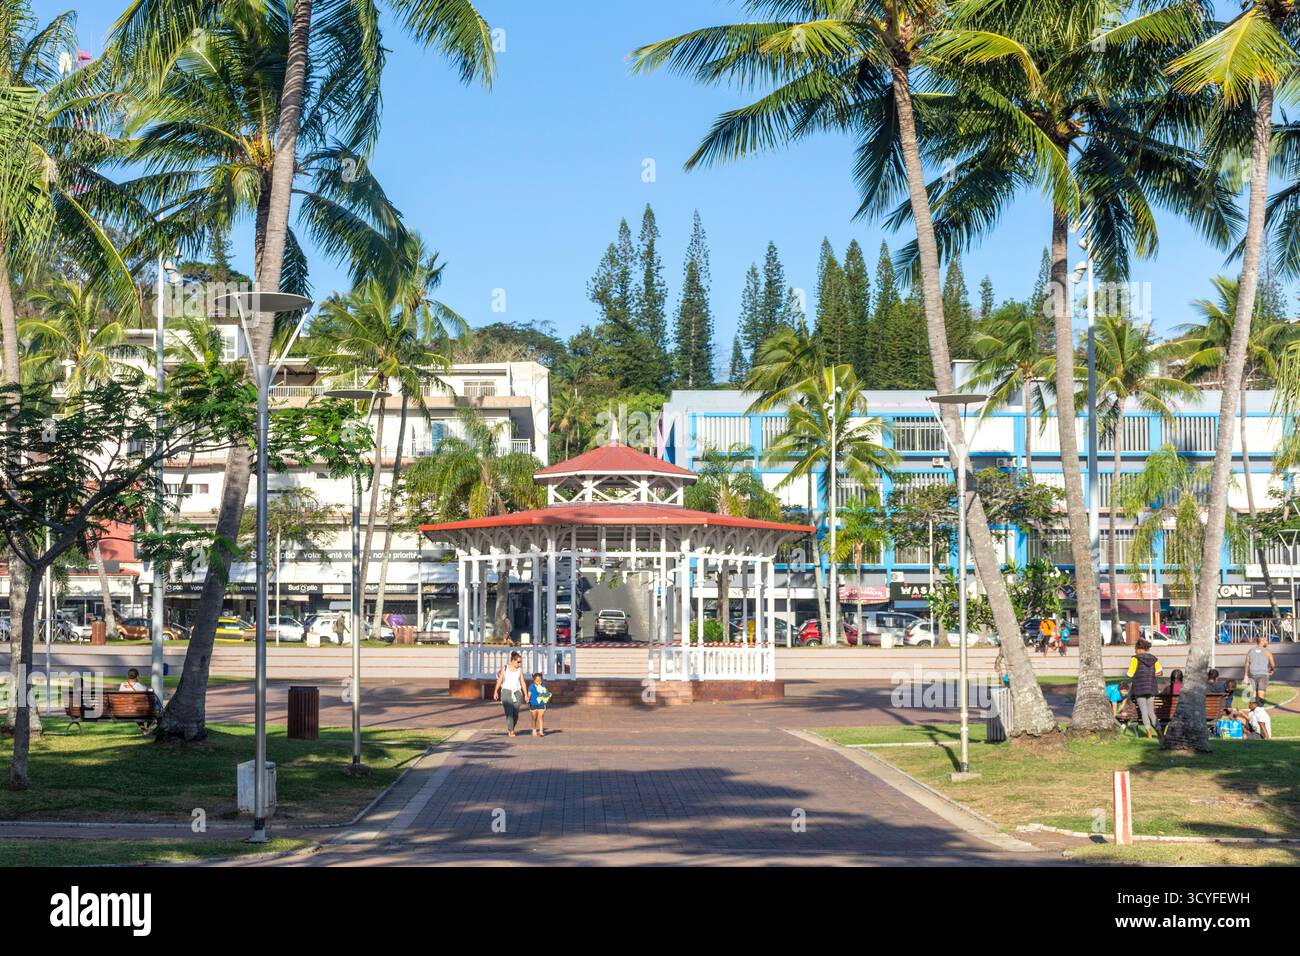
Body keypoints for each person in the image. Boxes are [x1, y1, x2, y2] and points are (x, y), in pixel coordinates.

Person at [1126, 638, 1163, 739]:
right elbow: (1160, 671)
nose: (1135, 651)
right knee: (1151, 711)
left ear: (1139, 649)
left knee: (1144, 712)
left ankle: (1149, 734)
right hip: (1151, 688)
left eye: (1135, 649)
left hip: (1139, 688)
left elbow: (1129, 674)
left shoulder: (1135, 659)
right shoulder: (1154, 659)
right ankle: (1159, 732)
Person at [493, 651, 528, 737]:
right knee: (509, 712)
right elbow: (500, 680)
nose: (519, 664)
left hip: (517, 693)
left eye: (520, 662)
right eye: (518, 662)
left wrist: (526, 694)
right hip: (506, 692)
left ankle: (511, 728)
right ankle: (511, 731)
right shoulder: (505, 668)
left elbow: (522, 682)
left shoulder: (519, 670)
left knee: (515, 713)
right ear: (512, 660)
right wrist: (495, 691)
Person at [1244, 636, 1276, 703]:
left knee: (1253, 693)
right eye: (1266, 640)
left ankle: (1253, 709)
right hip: (1263, 674)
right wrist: (1272, 669)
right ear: (1262, 641)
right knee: (1261, 693)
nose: (1267, 642)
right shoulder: (1267, 651)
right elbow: (1273, 664)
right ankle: (1260, 709)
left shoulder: (1250, 651)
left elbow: (1247, 663)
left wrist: (1246, 675)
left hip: (1252, 674)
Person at [528, 672, 551, 737]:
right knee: (534, 718)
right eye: (537, 681)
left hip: (541, 704)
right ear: (534, 680)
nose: (539, 682)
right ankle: (534, 729)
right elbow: (529, 694)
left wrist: (546, 697)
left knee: (541, 717)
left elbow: (546, 694)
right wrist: (527, 698)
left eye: (540, 681)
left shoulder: (543, 686)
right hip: (533, 704)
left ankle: (541, 731)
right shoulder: (531, 686)